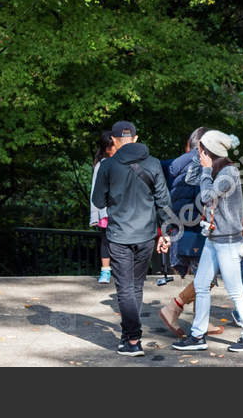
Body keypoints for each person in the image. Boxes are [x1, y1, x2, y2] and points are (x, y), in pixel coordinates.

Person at [90, 118, 178, 357]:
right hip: (147, 235)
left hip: (119, 235)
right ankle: (127, 335)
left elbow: (98, 201)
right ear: (136, 139)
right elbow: (164, 202)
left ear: (115, 141)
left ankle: (132, 339)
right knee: (136, 286)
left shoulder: (108, 166)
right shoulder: (153, 163)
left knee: (125, 289)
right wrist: (166, 233)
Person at [173, 131, 243, 354]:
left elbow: (206, 196)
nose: (199, 153)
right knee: (201, 285)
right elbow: (190, 179)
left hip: (227, 241)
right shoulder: (215, 169)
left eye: (202, 149)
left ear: (210, 152)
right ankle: (197, 335)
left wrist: (204, 168)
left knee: (235, 290)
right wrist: (199, 163)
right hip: (213, 238)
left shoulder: (228, 173)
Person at [159, 127, 228, 337]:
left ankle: (202, 321)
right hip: (196, 228)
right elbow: (204, 198)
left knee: (204, 276)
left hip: (177, 227)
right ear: (203, 145)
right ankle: (173, 308)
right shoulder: (200, 163)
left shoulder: (172, 165)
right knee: (207, 277)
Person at [89, 130, 115, 284]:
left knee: (117, 242)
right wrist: (94, 215)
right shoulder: (101, 165)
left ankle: (117, 271)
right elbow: (95, 190)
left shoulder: (120, 162)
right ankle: (105, 271)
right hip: (105, 210)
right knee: (106, 240)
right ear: (107, 148)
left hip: (119, 210)